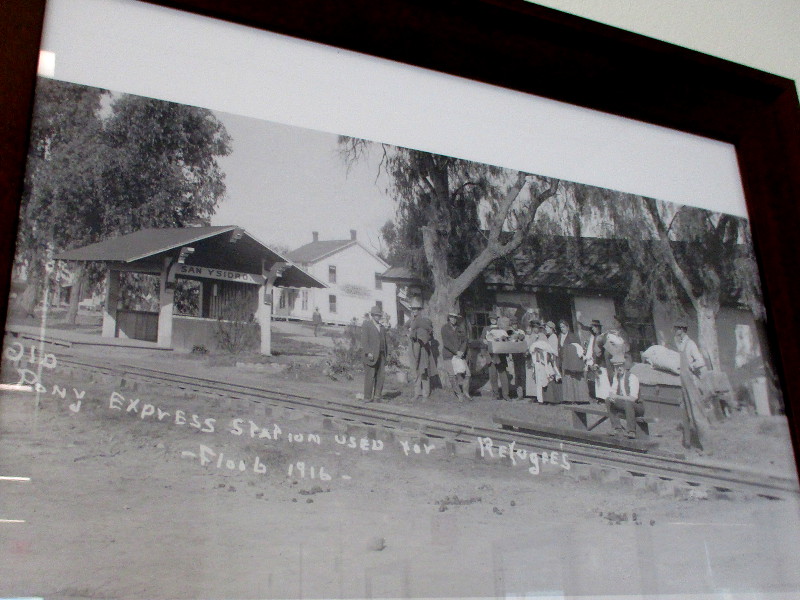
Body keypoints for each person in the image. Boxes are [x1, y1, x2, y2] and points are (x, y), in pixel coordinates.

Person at [674, 322, 711, 452]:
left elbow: (700, 361)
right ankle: (688, 443)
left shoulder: (690, 344)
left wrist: (691, 366)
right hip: (683, 383)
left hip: (691, 383)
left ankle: (707, 447)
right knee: (684, 412)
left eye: (676, 328)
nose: (675, 330)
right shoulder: (680, 344)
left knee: (697, 415)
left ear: (682, 329)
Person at [606, 353, 643, 438]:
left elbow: (633, 398)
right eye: (616, 367)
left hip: (637, 407)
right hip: (625, 405)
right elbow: (612, 391)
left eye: (620, 366)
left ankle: (631, 431)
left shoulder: (632, 377)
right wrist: (611, 396)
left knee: (628, 403)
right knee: (608, 400)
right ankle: (617, 428)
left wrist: (617, 397)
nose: (619, 369)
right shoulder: (616, 377)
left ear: (624, 366)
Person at [408, 297, 435, 401]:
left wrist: (425, 338)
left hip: (423, 347)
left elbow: (430, 332)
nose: (414, 311)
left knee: (423, 370)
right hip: (413, 347)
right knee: (415, 370)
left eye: (416, 309)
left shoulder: (425, 320)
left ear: (420, 310)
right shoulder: (411, 320)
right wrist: (408, 334)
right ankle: (416, 393)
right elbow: (405, 328)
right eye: (413, 309)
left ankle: (425, 394)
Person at [441, 310, 470, 401]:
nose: (453, 319)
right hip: (448, 355)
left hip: (460, 355)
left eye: (455, 317)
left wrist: (461, 351)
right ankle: (459, 394)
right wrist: (456, 351)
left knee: (467, 374)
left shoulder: (460, 328)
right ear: (449, 318)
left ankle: (466, 392)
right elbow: (446, 343)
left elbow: (465, 341)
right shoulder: (444, 328)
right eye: (451, 317)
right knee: (452, 376)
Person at [558, 319, 589, 404]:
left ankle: (581, 399)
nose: (562, 329)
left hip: (573, 361)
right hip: (565, 360)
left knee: (577, 380)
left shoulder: (572, 336)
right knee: (567, 380)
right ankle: (569, 399)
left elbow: (579, 349)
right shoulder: (560, 336)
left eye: (563, 327)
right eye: (561, 327)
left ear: (567, 327)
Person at [361, 304, 388, 403]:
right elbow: (364, 340)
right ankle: (367, 397)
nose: (378, 317)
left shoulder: (382, 327)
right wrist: (368, 352)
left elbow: (385, 342)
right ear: (372, 315)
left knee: (381, 376)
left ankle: (377, 396)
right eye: (376, 315)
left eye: (379, 315)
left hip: (381, 355)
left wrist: (386, 354)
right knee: (370, 376)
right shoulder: (367, 325)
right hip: (371, 355)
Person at [482, 312, 510, 400]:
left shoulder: (501, 329)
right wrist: (484, 342)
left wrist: (503, 339)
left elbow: (506, 341)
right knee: (493, 375)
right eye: (491, 319)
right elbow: (482, 340)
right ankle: (495, 394)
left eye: (494, 318)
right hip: (490, 355)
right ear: (489, 320)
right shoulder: (486, 329)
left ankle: (506, 394)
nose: (493, 320)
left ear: (497, 320)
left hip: (500, 355)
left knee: (503, 375)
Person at [508, 316, 528, 399]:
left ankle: (525, 391)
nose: (515, 325)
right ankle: (519, 393)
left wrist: (517, 336)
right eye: (513, 324)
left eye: (516, 324)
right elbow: (508, 341)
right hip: (514, 355)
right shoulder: (509, 332)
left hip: (521, 355)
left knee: (523, 374)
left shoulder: (521, 331)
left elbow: (522, 337)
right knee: (517, 374)